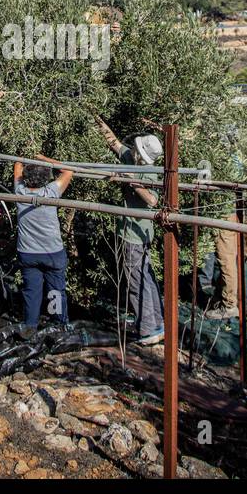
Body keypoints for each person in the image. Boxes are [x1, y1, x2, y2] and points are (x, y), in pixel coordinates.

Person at [94, 116, 165, 347]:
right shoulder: (130, 158)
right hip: (134, 232)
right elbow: (114, 142)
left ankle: (148, 330)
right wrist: (97, 120)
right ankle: (157, 322)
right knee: (145, 277)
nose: (132, 148)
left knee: (136, 281)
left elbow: (152, 200)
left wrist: (131, 181)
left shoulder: (149, 172)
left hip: (135, 234)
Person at [12, 155, 75, 332]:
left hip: (27, 253)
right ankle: (58, 325)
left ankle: (30, 326)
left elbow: (17, 164)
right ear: (46, 178)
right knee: (55, 290)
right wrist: (42, 157)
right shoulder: (51, 192)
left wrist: (26, 155)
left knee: (31, 291)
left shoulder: (20, 192)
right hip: (52, 253)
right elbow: (68, 170)